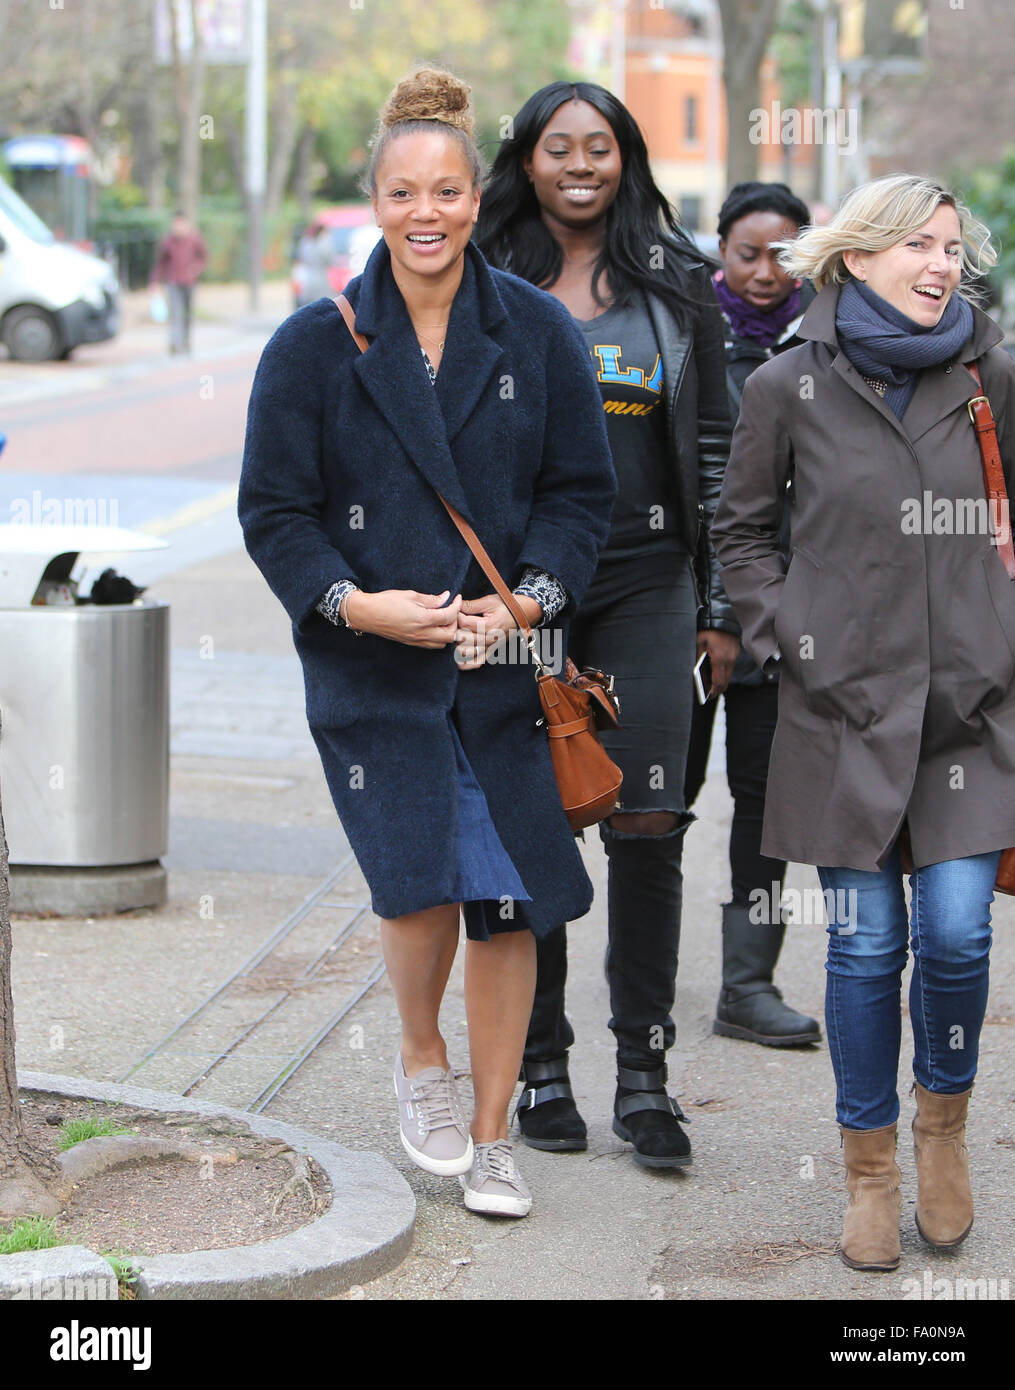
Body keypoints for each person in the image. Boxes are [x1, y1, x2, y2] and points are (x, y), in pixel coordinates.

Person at [238, 68, 615, 1220]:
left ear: (475, 195)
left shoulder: (537, 329)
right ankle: (420, 1058)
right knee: (416, 888)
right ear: (377, 201)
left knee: (508, 899)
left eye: (447, 189)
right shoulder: (317, 342)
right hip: (373, 671)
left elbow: (578, 497)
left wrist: (524, 605)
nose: (427, 212)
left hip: (501, 667)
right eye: (404, 191)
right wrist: (357, 605)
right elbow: (274, 515)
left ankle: (496, 1136)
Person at [711, 173, 1015, 1269]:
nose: (943, 267)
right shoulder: (786, 385)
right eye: (919, 248)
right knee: (865, 943)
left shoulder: (991, 377)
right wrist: (790, 637)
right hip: (839, 717)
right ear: (856, 258)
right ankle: (869, 1172)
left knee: (956, 931)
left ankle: (943, 1133)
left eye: (951, 249)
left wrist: (999, 634)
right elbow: (740, 533)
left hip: (969, 717)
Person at [476, 81, 739, 1169]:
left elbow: (718, 453)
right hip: (525, 587)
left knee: (647, 819)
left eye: (600, 148)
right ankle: (540, 1064)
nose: (580, 164)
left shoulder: (679, 287)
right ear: (527, 161)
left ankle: (644, 1077)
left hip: (645, 579)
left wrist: (720, 608)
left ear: (626, 161)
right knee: (533, 825)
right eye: (558, 147)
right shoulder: (481, 278)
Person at [683, 181, 821, 1047]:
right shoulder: (691, 339)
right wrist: (713, 610)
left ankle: (747, 985)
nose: (765, 271)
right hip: (687, 618)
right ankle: (642, 987)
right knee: (659, 801)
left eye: (783, 253)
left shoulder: (834, 344)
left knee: (767, 805)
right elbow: (696, 493)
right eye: (747, 252)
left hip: (787, 615)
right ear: (720, 253)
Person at [151, 211, 207, 354]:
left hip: (189, 282)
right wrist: (155, 281)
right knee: (176, 314)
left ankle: (186, 342)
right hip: (173, 281)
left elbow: (203, 257)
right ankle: (176, 344)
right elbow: (161, 262)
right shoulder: (168, 242)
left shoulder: (194, 239)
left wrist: (196, 269)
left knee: (187, 314)